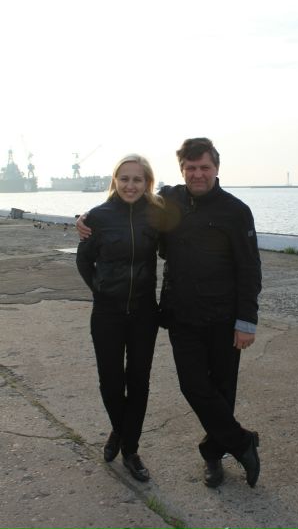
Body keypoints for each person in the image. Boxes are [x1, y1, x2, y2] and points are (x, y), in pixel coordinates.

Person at [77, 138, 262, 489]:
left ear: (216, 168)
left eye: (204, 167)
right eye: (191, 168)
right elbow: (118, 219)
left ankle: (213, 455)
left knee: (222, 391)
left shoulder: (236, 211)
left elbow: (250, 268)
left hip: (222, 318)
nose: (198, 174)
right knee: (193, 386)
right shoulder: (169, 200)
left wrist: (246, 320)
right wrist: (85, 220)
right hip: (181, 317)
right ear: (182, 170)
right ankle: (241, 442)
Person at [76, 153, 163, 482]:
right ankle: (121, 428)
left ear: (147, 183)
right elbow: (84, 261)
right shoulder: (98, 217)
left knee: (139, 382)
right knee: (111, 382)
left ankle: (130, 449)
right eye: (124, 178)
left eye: (137, 179)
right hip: (107, 314)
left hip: (144, 313)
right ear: (115, 180)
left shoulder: (156, 215)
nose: (130, 185)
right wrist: (100, 290)